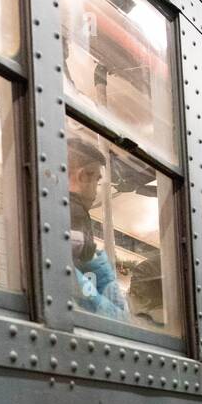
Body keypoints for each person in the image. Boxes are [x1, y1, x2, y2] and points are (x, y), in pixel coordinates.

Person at [67, 137, 128, 319]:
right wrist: (111, 313)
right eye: (96, 179)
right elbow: (72, 274)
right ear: (82, 175)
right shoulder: (74, 210)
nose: (96, 189)